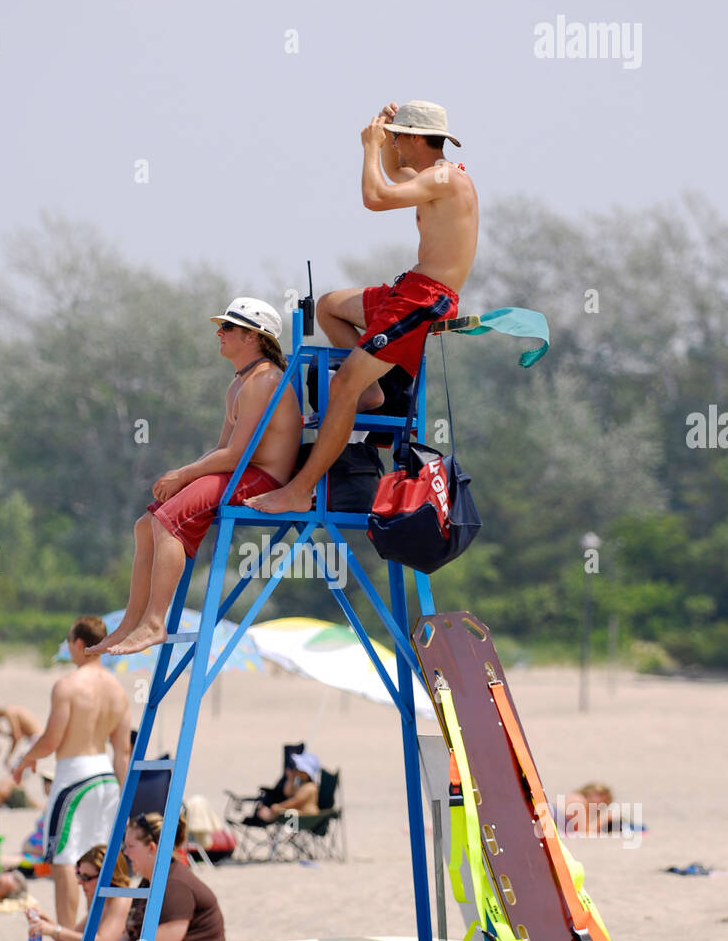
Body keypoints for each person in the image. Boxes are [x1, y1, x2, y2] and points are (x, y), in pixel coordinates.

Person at [245, 100, 478, 516]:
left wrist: (369, 146)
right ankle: (368, 388)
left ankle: (301, 488)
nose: (393, 146)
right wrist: (386, 134)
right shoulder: (435, 177)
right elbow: (393, 174)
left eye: (397, 139)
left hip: (425, 298)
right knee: (331, 307)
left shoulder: (444, 179)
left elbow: (375, 195)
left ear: (413, 138)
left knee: (341, 387)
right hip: (411, 287)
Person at [86, 297, 301, 658]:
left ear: (254, 337)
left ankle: (155, 623)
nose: (219, 332)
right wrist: (186, 477)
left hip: (262, 479)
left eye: (228, 327)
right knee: (146, 524)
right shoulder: (240, 382)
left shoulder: (265, 380)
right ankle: (130, 623)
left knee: (168, 522)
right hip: (242, 472)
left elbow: (235, 455)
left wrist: (184, 474)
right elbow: (222, 448)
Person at [12, 616, 131, 930]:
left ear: (79, 643)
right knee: (96, 859)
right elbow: (123, 752)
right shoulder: (118, 691)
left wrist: (25, 759)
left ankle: (66, 938)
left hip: (74, 776)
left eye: (69, 641)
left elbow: (51, 740)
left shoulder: (68, 685)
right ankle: (90, 935)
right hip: (106, 777)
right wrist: (124, 794)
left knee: (62, 857)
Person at [107, 811, 226, 941]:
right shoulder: (149, 881)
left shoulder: (175, 885)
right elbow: (128, 935)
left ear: (151, 848)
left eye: (131, 846)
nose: (125, 852)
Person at [25, 844, 132, 941]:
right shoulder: (104, 902)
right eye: (79, 875)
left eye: (86, 877)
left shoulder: (121, 899)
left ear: (107, 877)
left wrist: (54, 929)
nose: (80, 882)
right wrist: (46, 923)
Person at [255, 751, 320, 823]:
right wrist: (291, 778)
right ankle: (269, 815)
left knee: (277, 809)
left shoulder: (310, 787)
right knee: (277, 809)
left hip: (307, 816)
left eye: (299, 769)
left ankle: (269, 817)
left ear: (306, 773)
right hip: (300, 813)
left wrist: (279, 807)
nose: (296, 770)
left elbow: (296, 801)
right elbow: (288, 793)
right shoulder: (302, 785)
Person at [0, 702, 41, 767]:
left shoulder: (9, 712)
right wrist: (2, 733)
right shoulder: (11, 710)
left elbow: (17, 737)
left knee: (18, 769)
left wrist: (8, 757)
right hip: (34, 739)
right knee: (19, 769)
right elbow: (19, 735)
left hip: (35, 739)